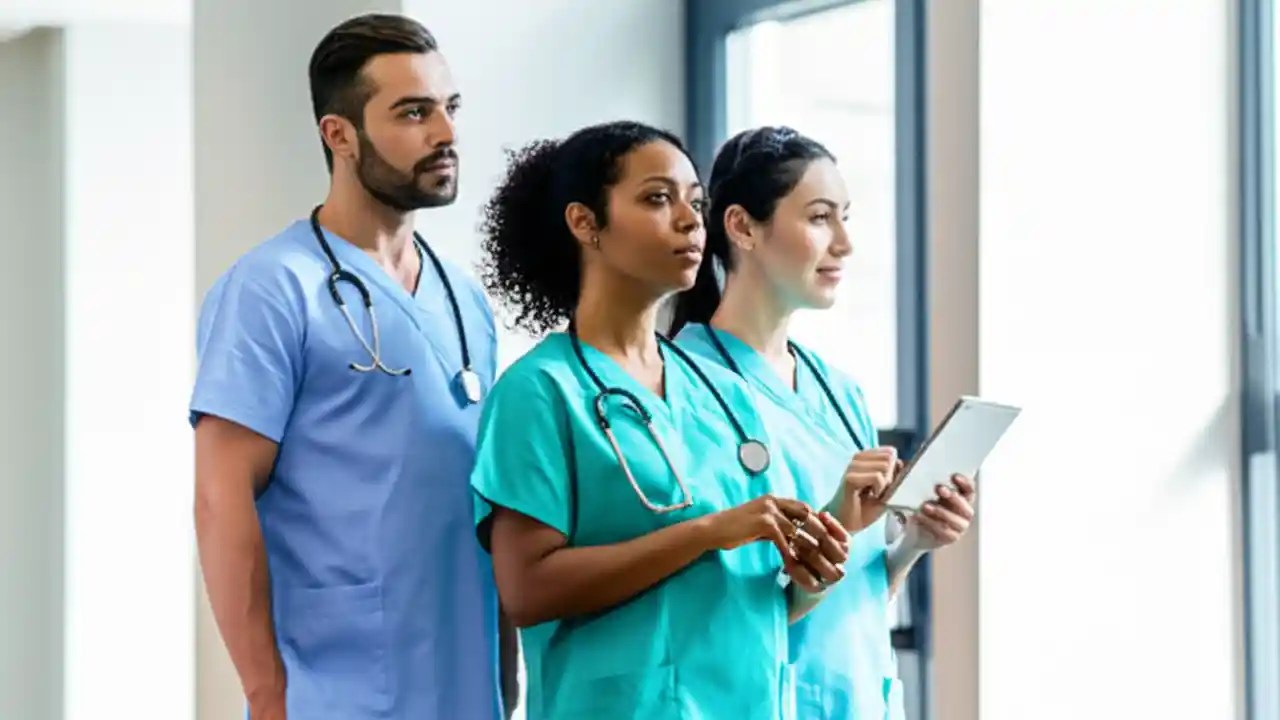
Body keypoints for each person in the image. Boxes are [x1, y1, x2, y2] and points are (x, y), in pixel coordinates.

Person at [469, 120, 892, 720]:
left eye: (695, 202)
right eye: (658, 199)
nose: (692, 221)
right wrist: (706, 533)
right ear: (585, 223)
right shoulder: (540, 391)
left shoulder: (721, 391)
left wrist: (815, 571)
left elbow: (761, 602)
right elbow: (526, 589)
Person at [190, 14, 513, 720]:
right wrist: (265, 694)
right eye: (413, 112)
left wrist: (507, 669)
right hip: (336, 690)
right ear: (338, 135)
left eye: (449, 108)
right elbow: (220, 501)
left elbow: (490, 492)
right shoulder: (274, 289)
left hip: (466, 685)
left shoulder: (463, 297)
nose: (446, 133)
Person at [671, 126, 977, 720]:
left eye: (845, 217)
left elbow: (860, 592)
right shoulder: (680, 388)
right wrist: (837, 516)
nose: (843, 243)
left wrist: (914, 541)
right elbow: (728, 606)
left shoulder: (840, 393)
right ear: (741, 227)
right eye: (819, 218)